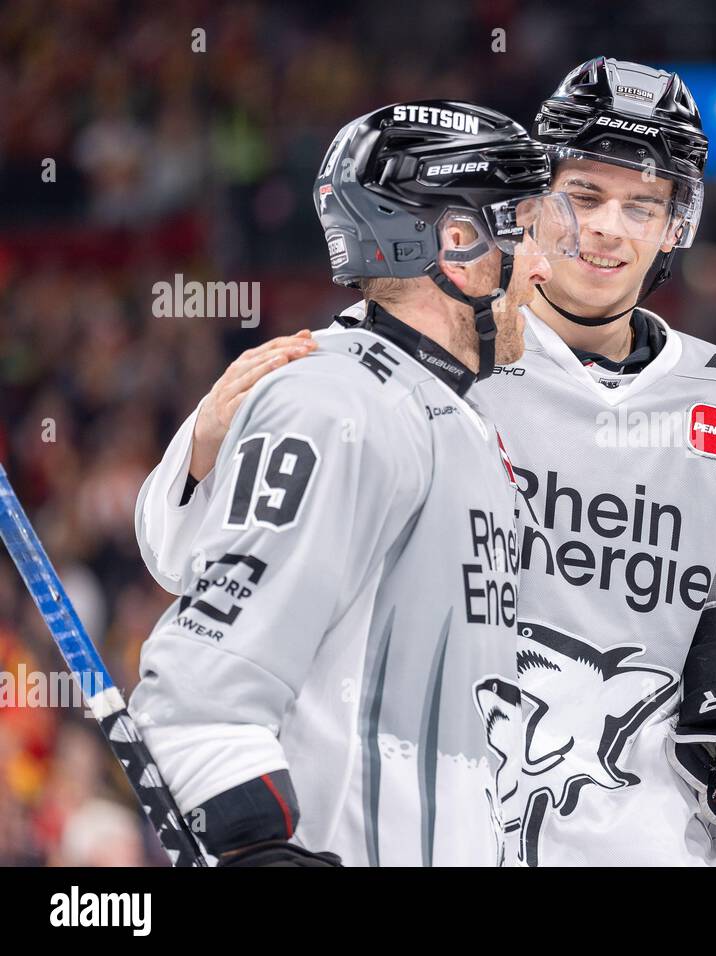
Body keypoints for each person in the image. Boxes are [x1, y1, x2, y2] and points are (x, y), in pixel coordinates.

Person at [135, 58, 716, 866]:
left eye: (642, 205)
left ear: (677, 225)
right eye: (583, 197)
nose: (607, 229)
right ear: (531, 206)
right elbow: (184, 561)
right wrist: (203, 449)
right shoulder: (407, 360)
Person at [130, 100, 580, 866]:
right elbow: (202, 680)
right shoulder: (339, 400)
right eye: (525, 229)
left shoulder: (455, 412)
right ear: (456, 242)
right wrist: (249, 844)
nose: (542, 266)